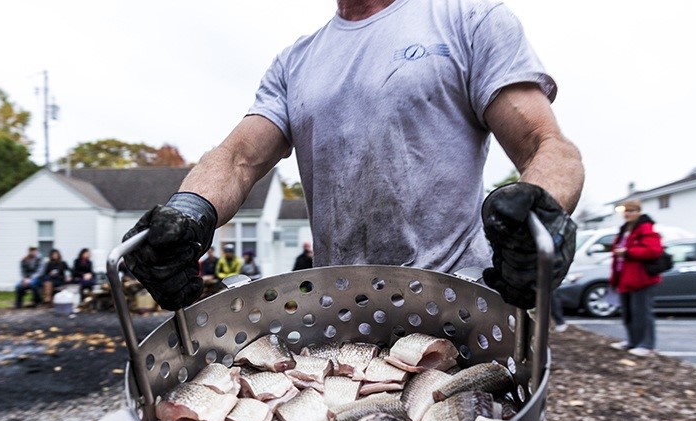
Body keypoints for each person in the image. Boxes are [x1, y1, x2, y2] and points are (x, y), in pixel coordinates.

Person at [123, 0, 584, 317]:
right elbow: (238, 156)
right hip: (341, 315)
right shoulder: (295, 63)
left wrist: (539, 215)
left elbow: (546, 145)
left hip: (460, 304)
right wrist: (187, 214)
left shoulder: (467, 18)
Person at [609, 199, 663, 356]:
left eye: (632, 211)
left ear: (638, 212)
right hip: (624, 278)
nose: (628, 214)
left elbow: (654, 250)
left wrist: (628, 252)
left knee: (642, 313)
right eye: (626, 211)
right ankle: (632, 341)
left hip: (641, 279)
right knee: (628, 313)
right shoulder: (624, 229)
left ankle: (647, 345)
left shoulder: (646, 228)